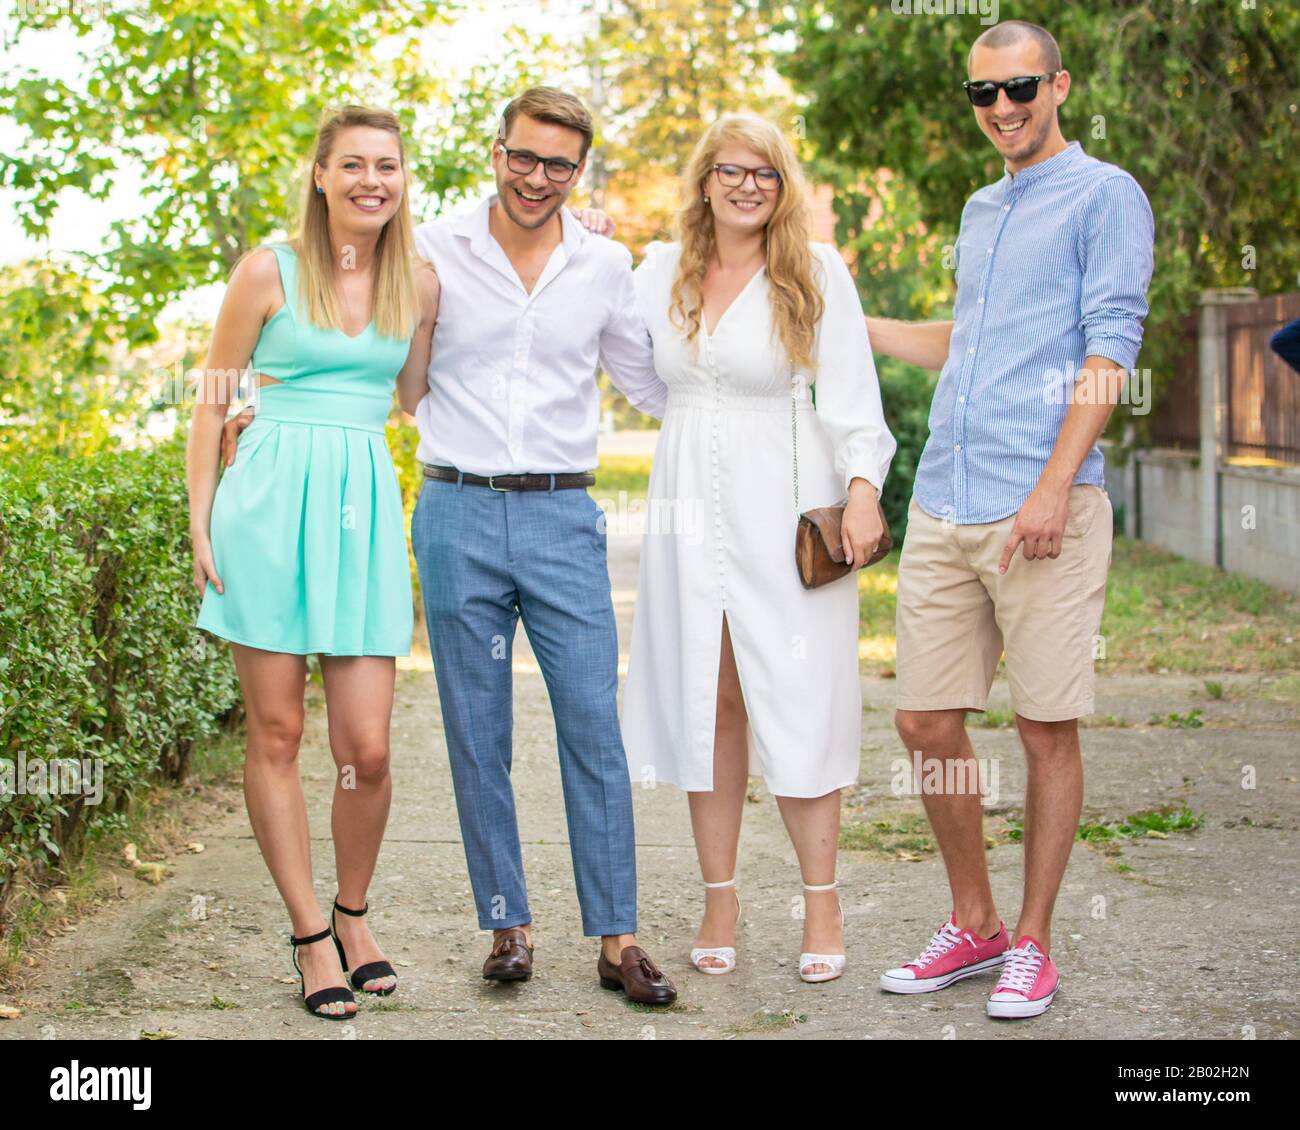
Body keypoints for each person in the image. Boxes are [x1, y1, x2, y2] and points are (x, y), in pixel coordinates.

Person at [866, 20, 1154, 1018]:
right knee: (923, 718)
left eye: (1020, 87)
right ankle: (974, 918)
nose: (1002, 108)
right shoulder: (981, 209)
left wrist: (1051, 482)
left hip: (1046, 503)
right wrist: (846, 323)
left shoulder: (1104, 194)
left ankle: (1033, 940)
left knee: (1042, 727)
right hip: (945, 495)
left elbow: (1107, 347)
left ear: (1058, 84)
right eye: (983, 94)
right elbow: (968, 337)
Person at [407, 87, 677, 1005]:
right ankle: (506, 926)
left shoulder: (606, 265)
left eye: (558, 164)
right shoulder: (434, 247)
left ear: (580, 171)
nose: (537, 178)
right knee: (477, 734)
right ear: (495, 152)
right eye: (523, 157)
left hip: (563, 518)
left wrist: (766, 415)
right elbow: (383, 366)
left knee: (593, 727)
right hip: (456, 511)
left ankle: (618, 939)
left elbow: (651, 384)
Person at [619, 112, 895, 983]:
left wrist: (862, 490)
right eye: (732, 171)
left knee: (800, 693)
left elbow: (852, 391)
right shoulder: (659, 271)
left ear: (783, 188)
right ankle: (720, 896)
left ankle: (822, 902)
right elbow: (631, 366)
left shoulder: (812, 271)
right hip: (686, 503)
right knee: (711, 695)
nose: (747, 186)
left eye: (766, 175)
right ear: (704, 180)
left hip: (783, 496)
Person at [190, 106, 439, 1019]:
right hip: (264, 508)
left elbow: (409, 399)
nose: (372, 179)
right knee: (279, 735)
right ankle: (308, 937)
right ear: (323, 176)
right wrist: (201, 522)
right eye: (354, 165)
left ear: (402, 180)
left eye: (388, 165)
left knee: (365, 747)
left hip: (361, 508)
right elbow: (214, 402)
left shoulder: (418, 283)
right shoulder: (268, 270)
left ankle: (354, 913)